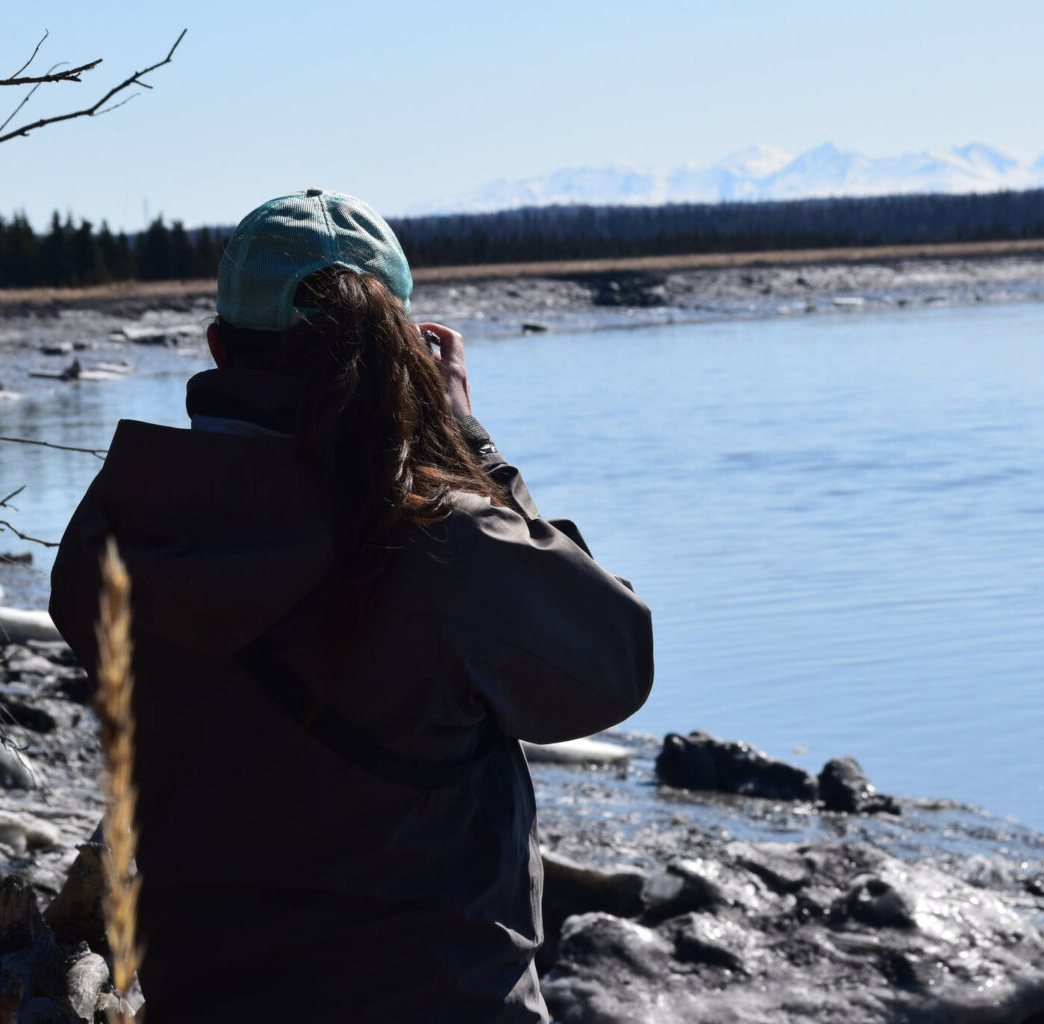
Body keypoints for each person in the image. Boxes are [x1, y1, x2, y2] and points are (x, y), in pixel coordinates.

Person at [49, 189, 654, 1022]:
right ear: (404, 346)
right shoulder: (449, 544)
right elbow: (612, 667)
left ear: (219, 347)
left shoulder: (116, 535)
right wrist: (471, 450)